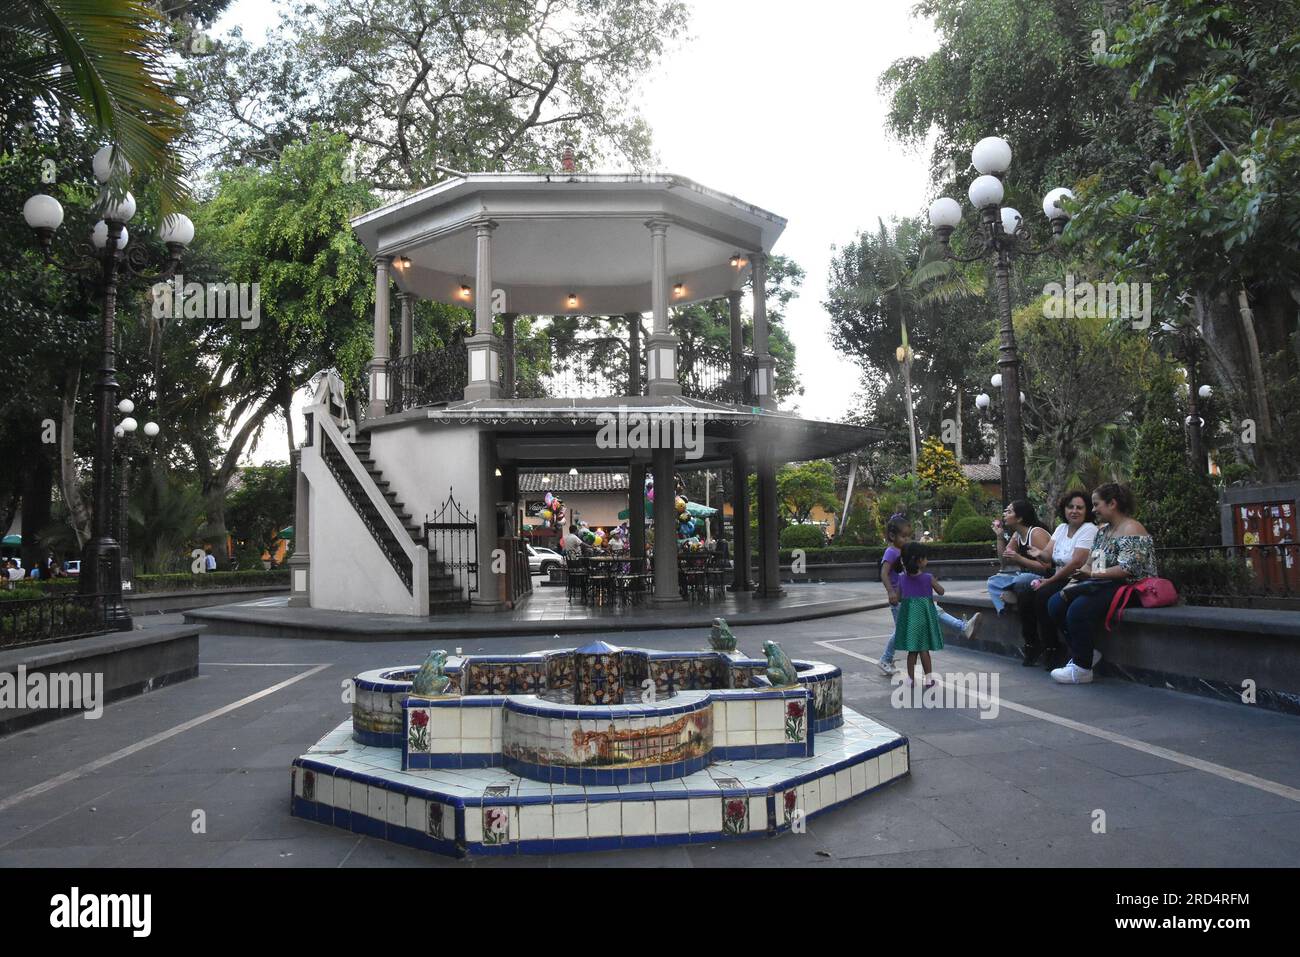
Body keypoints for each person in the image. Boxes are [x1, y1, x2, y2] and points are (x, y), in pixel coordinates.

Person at [1046, 482, 1157, 685]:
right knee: (1055, 603)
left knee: (1078, 609)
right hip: (1105, 583)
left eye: (1097, 504)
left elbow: (1128, 569)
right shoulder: (1103, 531)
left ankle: (1082, 667)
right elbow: (1095, 565)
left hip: (1131, 588)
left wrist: (1092, 573)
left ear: (1112, 503)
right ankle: (1087, 652)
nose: (1094, 509)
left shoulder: (1132, 528)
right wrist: (1080, 577)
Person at [878, 514, 980, 676]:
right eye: (903, 536)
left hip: (913, 597)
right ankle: (886, 658)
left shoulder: (904, 551)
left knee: (934, 611)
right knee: (901, 630)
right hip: (901, 599)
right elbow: (883, 573)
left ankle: (962, 627)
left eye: (908, 536)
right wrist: (891, 592)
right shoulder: (891, 552)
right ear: (892, 536)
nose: (907, 539)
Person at [1025, 491, 1098, 667]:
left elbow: (1076, 563)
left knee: (1044, 595)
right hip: (1057, 577)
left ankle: (1056, 649)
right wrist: (1038, 554)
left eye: (1079, 507)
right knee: (1026, 595)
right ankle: (1035, 645)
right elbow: (1047, 556)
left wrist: (1048, 581)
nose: (1074, 511)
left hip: (1077, 579)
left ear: (1087, 510)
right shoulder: (1061, 529)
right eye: (1070, 507)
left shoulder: (1089, 529)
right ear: (1064, 509)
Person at [892, 542, 947, 685]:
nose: (927, 560)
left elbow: (897, 598)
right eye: (926, 558)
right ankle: (928, 679)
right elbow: (941, 591)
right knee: (924, 649)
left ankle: (910, 679)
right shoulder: (928, 578)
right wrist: (936, 582)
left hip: (910, 620)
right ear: (919, 560)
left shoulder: (902, 579)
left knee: (912, 650)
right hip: (924, 618)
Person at [985, 500, 1053, 613]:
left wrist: (1019, 559)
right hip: (1026, 576)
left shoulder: (1036, 533)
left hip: (1045, 578)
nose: (1004, 514)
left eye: (1009, 511)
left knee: (1021, 579)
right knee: (993, 582)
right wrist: (1000, 537)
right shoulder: (1017, 535)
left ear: (1019, 518)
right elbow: (1004, 561)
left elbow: (1047, 566)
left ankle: (1014, 597)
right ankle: (1005, 607)